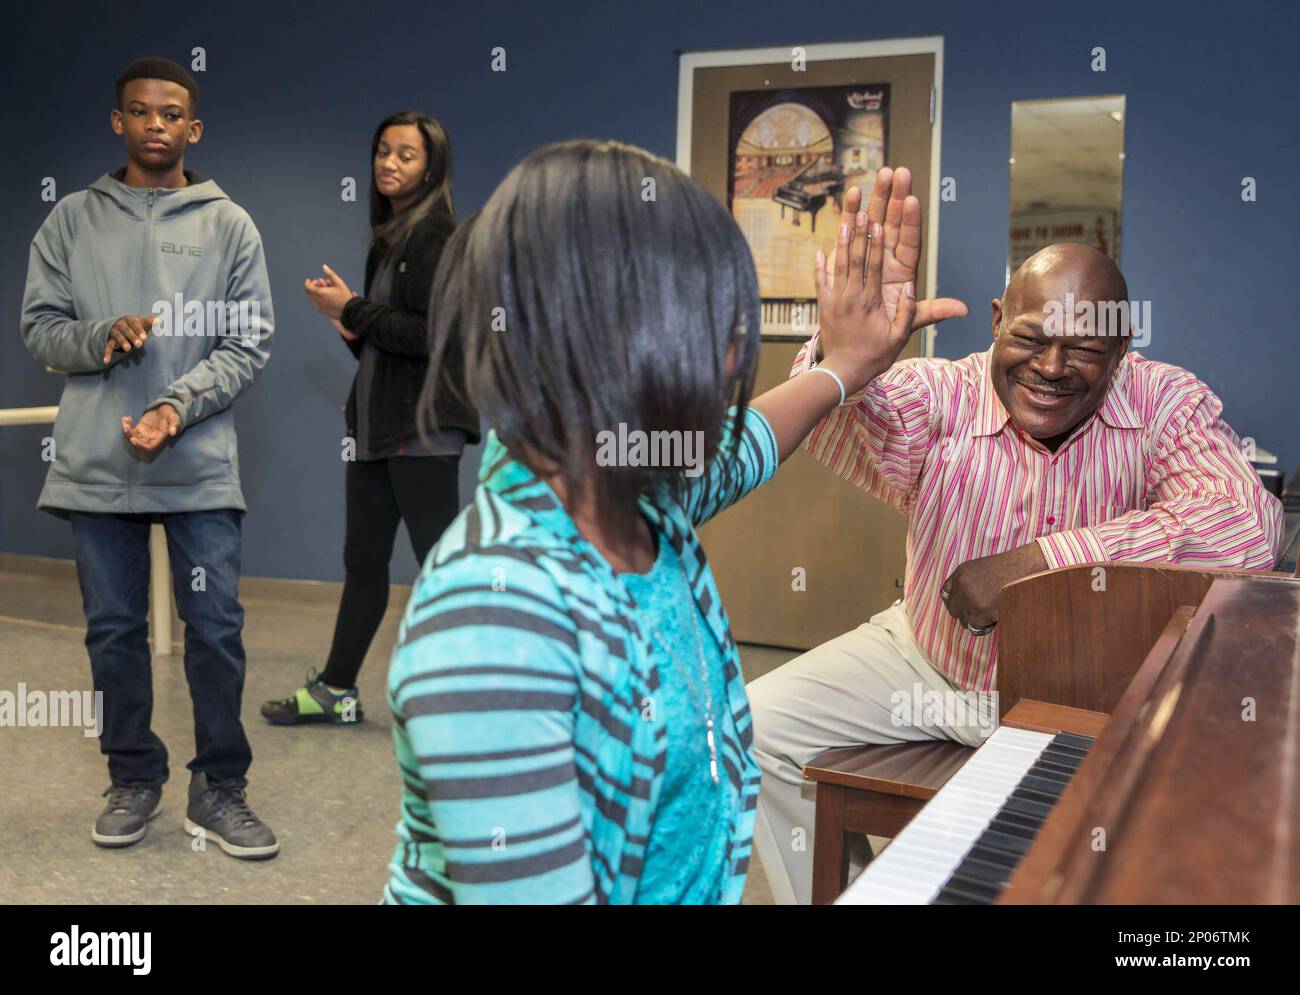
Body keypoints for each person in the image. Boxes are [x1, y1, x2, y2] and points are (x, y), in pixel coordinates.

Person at [380, 140, 964, 903]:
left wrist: (846, 367)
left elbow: (744, 444)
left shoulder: (638, 493)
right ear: (582, 334)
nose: (732, 352)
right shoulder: (494, 615)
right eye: (702, 317)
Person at [748, 168, 1286, 904]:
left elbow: (1248, 524)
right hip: (929, 658)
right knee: (748, 729)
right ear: (998, 318)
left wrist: (1037, 565)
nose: (1053, 367)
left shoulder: (1164, 401)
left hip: (1092, 694)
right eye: (1030, 336)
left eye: (1085, 349)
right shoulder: (943, 390)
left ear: (1122, 349)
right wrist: (847, 360)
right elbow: (852, 428)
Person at [20, 57, 278, 858]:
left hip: (197, 465)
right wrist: (99, 339)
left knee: (217, 630)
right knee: (113, 632)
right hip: (97, 469)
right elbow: (40, 328)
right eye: (140, 111)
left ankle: (220, 788)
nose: (156, 123)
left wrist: (176, 405)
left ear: (192, 128)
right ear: (118, 122)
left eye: (171, 113)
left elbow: (250, 339)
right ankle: (132, 775)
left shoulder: (229, 223)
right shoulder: (69, 220)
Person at [261, 112, 476, 726]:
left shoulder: (437, 234)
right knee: (364, 561)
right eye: (384, 151)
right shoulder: (390, 237)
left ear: (431, 167)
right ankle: (336, 690)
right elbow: (391, 346)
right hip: (377, 430)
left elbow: (437, 335)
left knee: (440, 568)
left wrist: (353, 307)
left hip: (421, 429)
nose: (389, 163)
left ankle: (473, 700)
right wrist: (351, 327)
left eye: (406, 155)